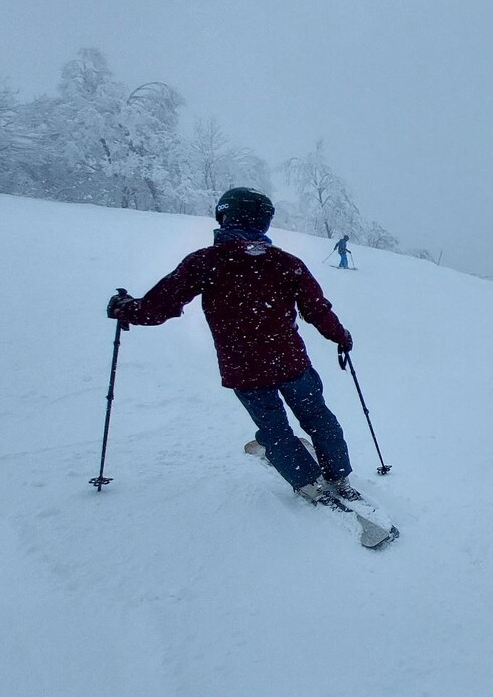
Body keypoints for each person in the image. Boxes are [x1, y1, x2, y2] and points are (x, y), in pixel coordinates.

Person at [105, 187, 355, 501]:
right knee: (318, 416)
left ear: (225, 216)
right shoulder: (286, 263)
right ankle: (339, 474)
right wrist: (341, 336)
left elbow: (159, 307)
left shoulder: (206, 262)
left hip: (246, 371)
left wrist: (125, 308)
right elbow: (317, 310)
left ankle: (306, 481)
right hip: (291, 364)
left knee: (275, 429)